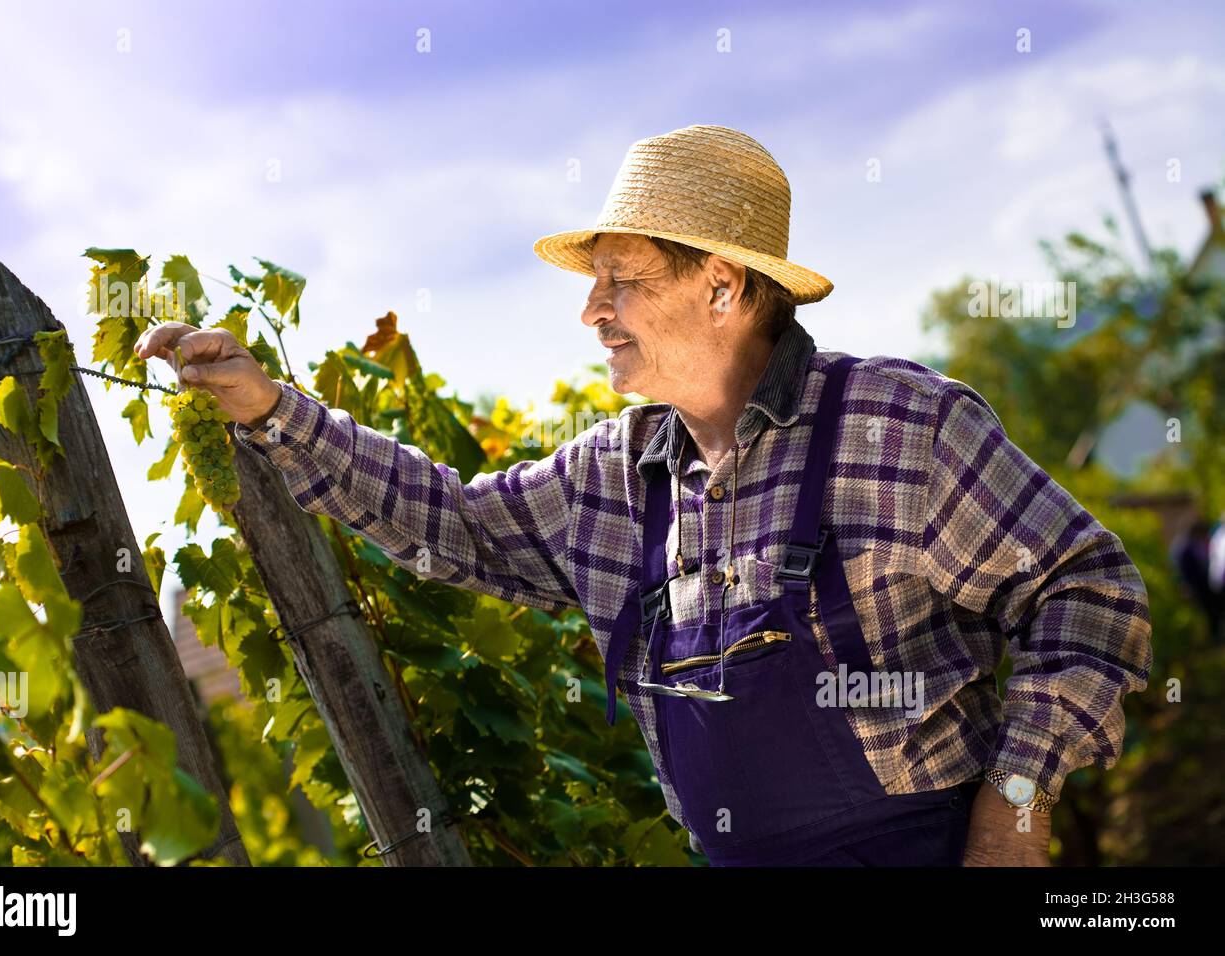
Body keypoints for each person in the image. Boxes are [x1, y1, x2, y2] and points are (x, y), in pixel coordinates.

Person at [136, 124, 1153, 866]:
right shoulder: (612, 478)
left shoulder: (897, 428)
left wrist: (1014, 802)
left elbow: (1088, 592)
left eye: (619, 279)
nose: (591, 309)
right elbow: (450, 521)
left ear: (719, 283)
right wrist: (269, 405)